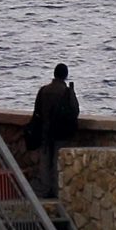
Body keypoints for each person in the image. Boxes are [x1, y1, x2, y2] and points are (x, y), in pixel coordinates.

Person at [29, 64, 81, 197]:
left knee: (45, 163)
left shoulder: (44, 90)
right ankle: (57, 191)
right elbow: (75, 110)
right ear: (65, 75)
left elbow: (37, 112)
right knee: (57, 163)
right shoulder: (66, 92)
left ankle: (45, 190)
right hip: (61, 133)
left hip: (45, 132)